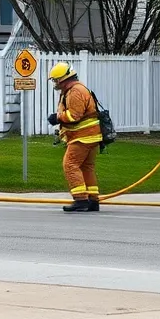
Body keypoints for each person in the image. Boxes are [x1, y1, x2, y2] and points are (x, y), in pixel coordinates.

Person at [47, 62, 102, 213]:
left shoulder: (75, 91)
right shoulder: (75, 89)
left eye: (56, 80)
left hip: (82, 136)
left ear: (63, 79)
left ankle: (81, 199)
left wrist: (57, 118)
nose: (55, 83)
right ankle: (92, 200)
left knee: (70, 164)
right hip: (90, 136)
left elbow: (74, 115)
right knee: (86, 167)